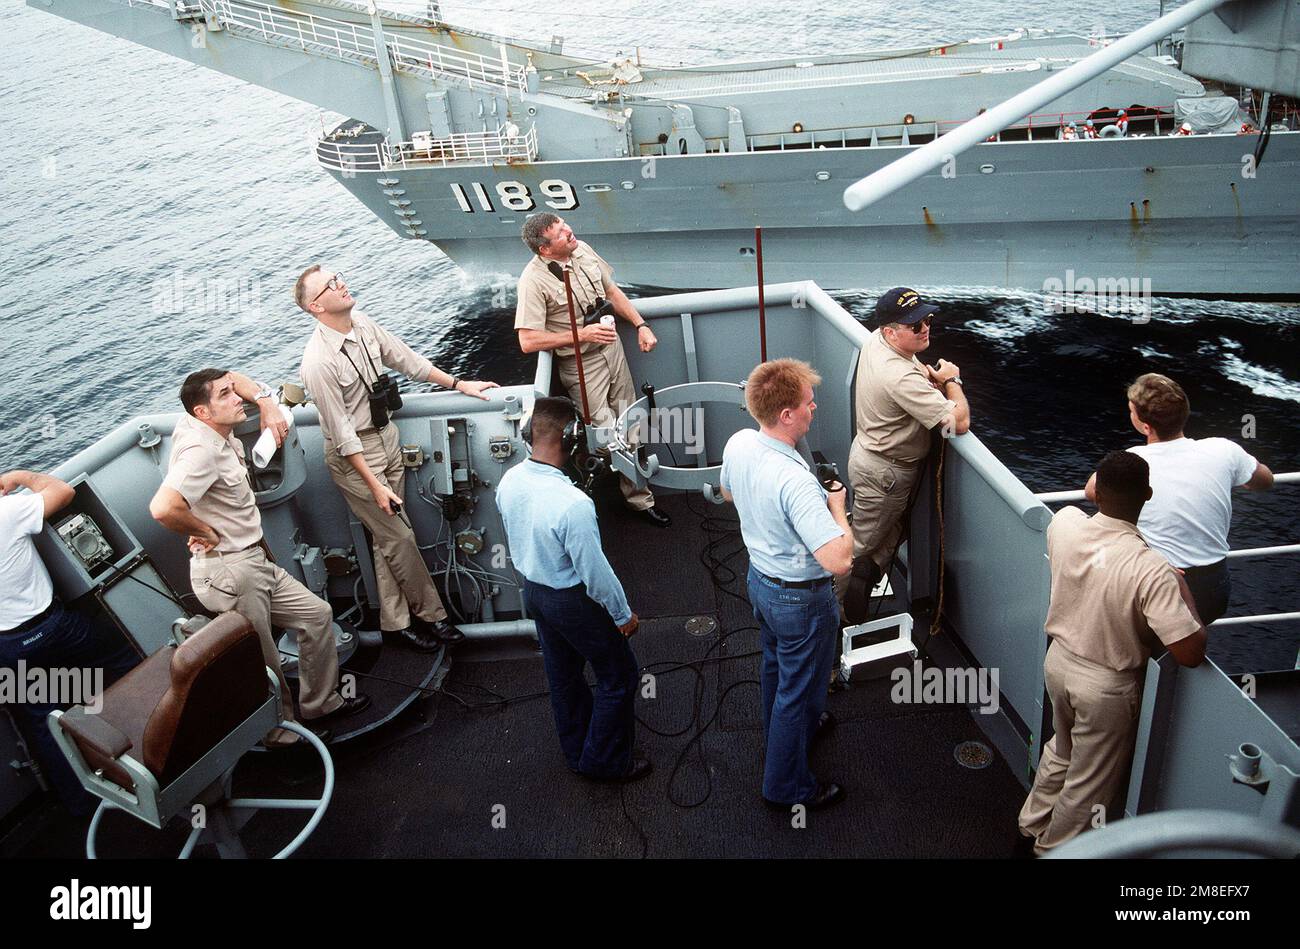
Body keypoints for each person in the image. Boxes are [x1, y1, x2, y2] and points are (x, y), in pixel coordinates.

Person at [150, 369, 369, 745]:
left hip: (255, 560)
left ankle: (319, 704)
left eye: (234, 392)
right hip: (230, 570)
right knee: (263, 658)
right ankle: (278, 733)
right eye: (226, 395)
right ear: (203, 412)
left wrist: (267, 405)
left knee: (317, 616)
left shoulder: (205, 426)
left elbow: (233, 375)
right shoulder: (200, 450)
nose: (238, 398)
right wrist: (203, 531)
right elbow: (163, 507)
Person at [296, 266, 499, 650]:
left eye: (338, 277)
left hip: (387, 439)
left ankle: (394, 623)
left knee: (387, 542)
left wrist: (459, 384)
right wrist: (374, 486)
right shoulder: (318, 362)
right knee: (401, 536)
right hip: (356, 458)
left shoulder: (363, 324)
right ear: (315, 306)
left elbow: (409, 362)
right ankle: (433, 616)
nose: (341, 284)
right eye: (331, 285)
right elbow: (342, 437)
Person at [1019, 451, 1206, 856]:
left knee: (1060, 749)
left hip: (1059, 663)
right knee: (1089, 782)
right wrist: (1181, 587)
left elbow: (1089, 491)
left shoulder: (1065, 523)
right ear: (1148, 495)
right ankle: (1052, 850)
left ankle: (1028, 825)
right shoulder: (1151, 568)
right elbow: (1190, 651)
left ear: (1098, 493)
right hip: (1105, 686)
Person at [720, 359, 852, 810]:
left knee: (777, 668)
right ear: (787, 416)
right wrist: (836, 506)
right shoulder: (796, 481)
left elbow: (729, 493)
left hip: (761, 582)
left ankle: (788, 729)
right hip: (802, 600)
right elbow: (839, 559)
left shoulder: (740, 443)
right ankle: (787, 787)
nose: (813, 408)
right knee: (797, 691)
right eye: (806, 404)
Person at [495, 396, 649, 782]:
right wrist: (622, 615)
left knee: (563, 676)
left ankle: (576, 751)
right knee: (620, 676)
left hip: (536, 594)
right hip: (570, 601)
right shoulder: (573, 503)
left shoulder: (510, 481)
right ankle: (605, 761)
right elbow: (594, 572)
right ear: (573, 436)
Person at [514, 213, 671, 528]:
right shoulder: (532, 281)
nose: (569, 232)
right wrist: (580, 335)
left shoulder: (581, 249)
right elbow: (528, 341)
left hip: (613, 350)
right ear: (544, 249)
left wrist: (640, 325)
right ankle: (599, 482)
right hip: (581, 363)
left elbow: (610, 292)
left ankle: (639, 500)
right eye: (560, 233)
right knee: (607, 434)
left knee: (632, 421)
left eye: (565, 225)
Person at [1, 469, 140, 814]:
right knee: (126, 658)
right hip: (55, 627)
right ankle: (155, 746)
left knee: (44, 722)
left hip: (11, 646)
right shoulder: (9, 512)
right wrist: (19, 476)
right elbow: (62, 491)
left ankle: (81, 806)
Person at [1084, 373, 1273, 624]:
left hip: (1161, 584)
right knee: (1183, 641)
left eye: (1131, 411)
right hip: (1213, 588)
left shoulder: (1133, 460)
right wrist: (1240, 476)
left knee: (1143, 642)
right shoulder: (1223, 449)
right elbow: (1265, 480)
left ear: (1145, 426)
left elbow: (1091, 492)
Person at [842, 288, 970, 618]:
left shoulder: (878, 341)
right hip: (885, 474)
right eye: (915, 325)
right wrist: (952, 380)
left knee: (884, 538)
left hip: (877, 463)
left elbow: (911, 372)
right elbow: (959, 422)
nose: (925, 328)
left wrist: (928, 377)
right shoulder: (898, 376)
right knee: (854, 551)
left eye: (927, 319)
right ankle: (828, 619)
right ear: (891, 331)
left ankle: (860, 585)